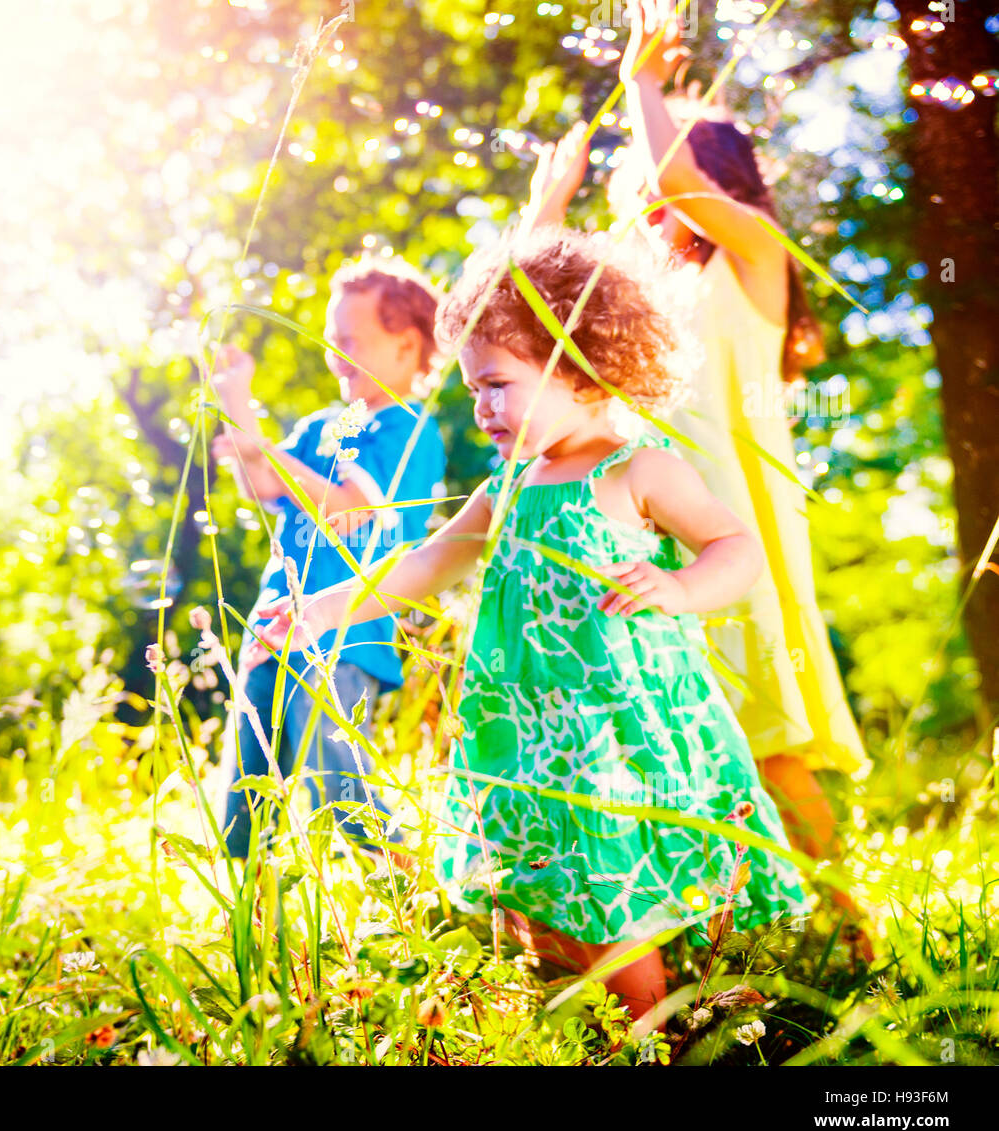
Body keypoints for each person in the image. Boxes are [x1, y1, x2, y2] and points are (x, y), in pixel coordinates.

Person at [246, 227, 811, 1026]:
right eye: (475, 389)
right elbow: (428, 565)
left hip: (614, 726)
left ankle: (661, 1031)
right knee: (537, 891)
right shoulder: (507, 483)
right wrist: (326, 611)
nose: (482, 407)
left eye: (498, 386)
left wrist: (680, 586)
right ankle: (577, 1018)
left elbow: (736, 546)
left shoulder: (637, 469)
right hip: (520, 726)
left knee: (613, 887)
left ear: (580, 369)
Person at [520, 0, 870, 944]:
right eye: (647, 160)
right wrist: (547, 216)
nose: (655, 170)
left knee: (763, 734)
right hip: (644, 523)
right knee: (668, 731)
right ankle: (715, 932)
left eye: (679, 155)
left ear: (726, 180)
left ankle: (848, 923)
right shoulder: (639, 302)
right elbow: (532, 346)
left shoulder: (760, 257)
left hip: (735, 527)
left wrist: (644, 80)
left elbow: (672, 170)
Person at [209, 255, 448, 861]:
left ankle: (397, 897)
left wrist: (261, 446)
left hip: (342, 632)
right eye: (330, 340)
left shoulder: (409, 429)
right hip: (272, 621)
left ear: (405, 346)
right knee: (247, 784)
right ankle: (251, 914)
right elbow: (262, 485)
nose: (335, 354)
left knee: (338, 784)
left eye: (350, 341)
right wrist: (237, 398)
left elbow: (349, 506)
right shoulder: (327, 424)